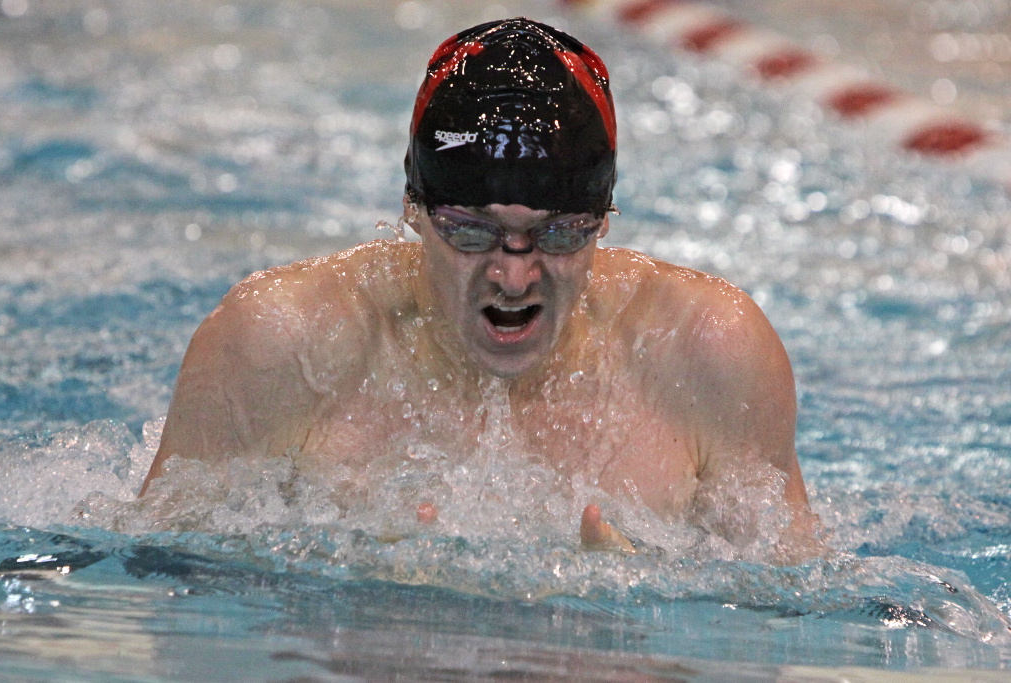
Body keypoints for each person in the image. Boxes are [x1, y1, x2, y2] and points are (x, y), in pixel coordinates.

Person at [141, 18, 820, 560]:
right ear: (413, 207)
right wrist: (344, 597)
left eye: (557, 236)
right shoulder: (280, 346)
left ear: (604, 220)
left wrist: (649, 607)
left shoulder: (710, 356)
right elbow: (152, 578)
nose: (515, 276)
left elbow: (798, 613)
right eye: (472, 233)